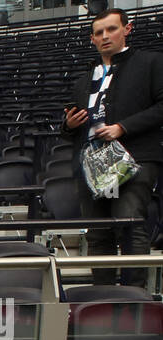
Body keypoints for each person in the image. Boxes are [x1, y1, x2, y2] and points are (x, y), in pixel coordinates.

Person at [63, 7, 163, 287]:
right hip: (93, 163)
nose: (105, 36)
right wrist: (69, 125)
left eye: (111, 29)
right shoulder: (84, 79)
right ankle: (102, 296)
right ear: (92, 39)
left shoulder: (151, 62)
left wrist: (124, 127)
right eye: (98, 32)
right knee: (98, 235)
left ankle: (134, 297)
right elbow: (74, 125)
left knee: (129, 226)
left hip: (136, 157)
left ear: (127, 29)